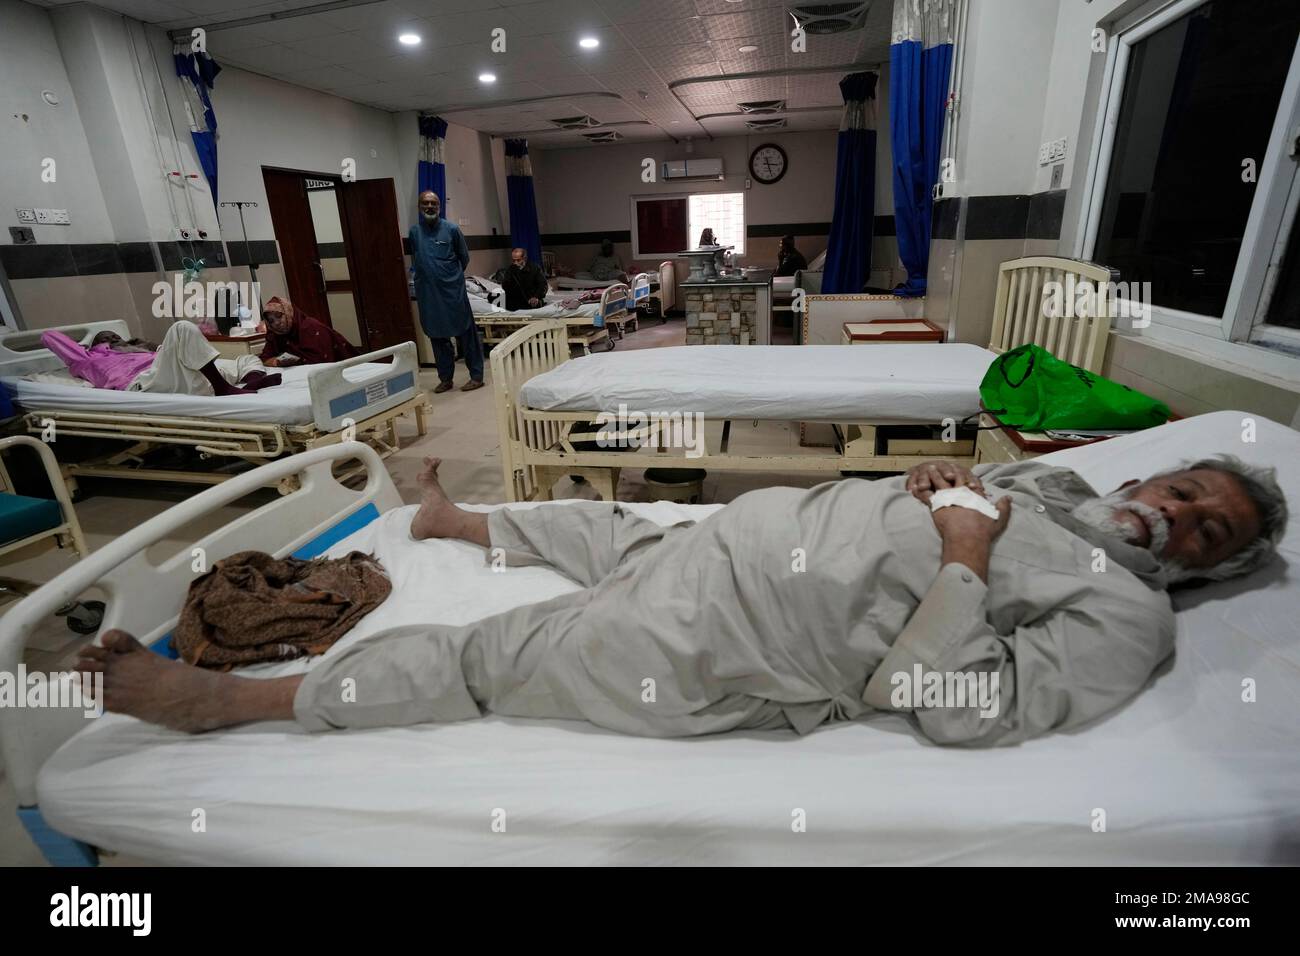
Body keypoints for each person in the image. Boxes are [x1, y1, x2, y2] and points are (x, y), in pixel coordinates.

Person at [78, 453, 1286, 747]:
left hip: (733, 636)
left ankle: (231, 701)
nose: (1175, 514)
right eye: (1182, 488)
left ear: (1206, 567)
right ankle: (453, 521)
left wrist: (964, 552)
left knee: (493, 652)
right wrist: (937, 487)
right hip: (726, 538)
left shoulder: (1126, 614)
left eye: (1205, 528)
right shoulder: (1054, 485)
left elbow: (949, 704)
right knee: (614, 521)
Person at [43, 323, 279, 396]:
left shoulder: (138, 350)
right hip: (145, 382)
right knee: (182, 327)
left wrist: (140, 346)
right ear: (98, 345)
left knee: (245, 359)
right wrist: (84, 348)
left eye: (116, 335)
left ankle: (251, 381)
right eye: (108, 338)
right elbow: (49, 336)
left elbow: (171, 354)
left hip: (175, 373)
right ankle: (223, 388)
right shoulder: (88, 359)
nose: (115, 338)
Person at [409, 190, 484, 393]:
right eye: (425, 203)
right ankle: (445, 378)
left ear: (439, 207)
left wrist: (449, 277)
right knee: (437, 336)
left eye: (434, 203)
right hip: (428, 294)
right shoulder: (415, 232)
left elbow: (464, 258)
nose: (430, 207)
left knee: (466, 333)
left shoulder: (451, 229)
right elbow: (417, 259)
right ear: (419, 207)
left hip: (452, 291)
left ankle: (476, 376)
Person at [258, 296, 358, 368]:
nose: (276, 323)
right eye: (271, 321)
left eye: (279, 316)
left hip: (342, 369)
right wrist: (276, 362)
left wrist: (297, 362)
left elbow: (322, 362)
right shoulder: (274, 334)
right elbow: (264, 359)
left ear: (288, 312)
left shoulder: (311, 327)